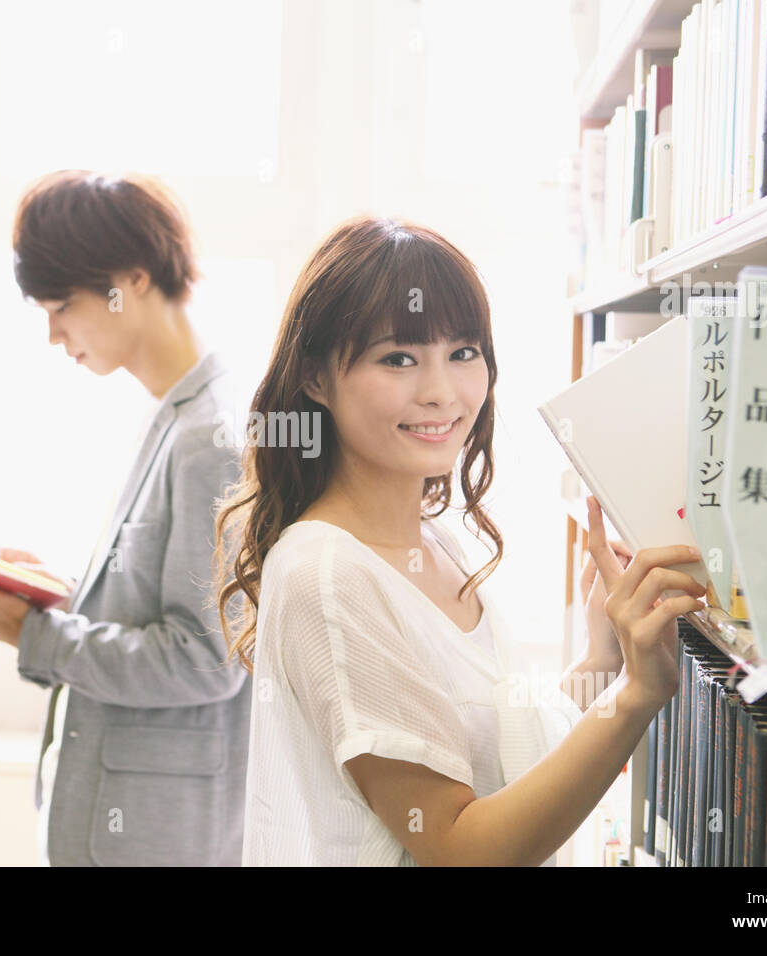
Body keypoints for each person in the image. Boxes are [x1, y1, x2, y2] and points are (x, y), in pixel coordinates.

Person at [213, 216, 706, 866]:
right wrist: (637, 697)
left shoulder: (432, 539)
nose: (442, 392)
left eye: (464, 352)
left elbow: (497, 748)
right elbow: (459, 849)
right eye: (398, 359)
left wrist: (604, 658)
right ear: (314, 378)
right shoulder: (326, 575)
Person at [0, 170, 250, 866]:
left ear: (131, 279)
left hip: (162, 841)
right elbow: (160, 607)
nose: (53, 334)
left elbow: (206, 660)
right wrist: (62, 597)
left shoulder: (210, 437)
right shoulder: (171, 416)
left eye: (61, 306)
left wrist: (38, 636)